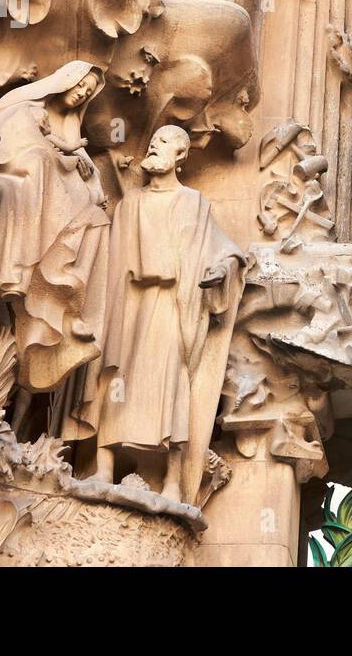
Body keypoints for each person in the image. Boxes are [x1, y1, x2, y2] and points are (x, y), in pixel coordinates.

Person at [92, 126, 245, 504]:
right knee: (114, 377)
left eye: (164, 143)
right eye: (153, 140)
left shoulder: (194, 203)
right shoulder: (130, 204)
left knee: (172, 383)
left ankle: (174, 480)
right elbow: (110, 265)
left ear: (181, 156)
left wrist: (220, 270)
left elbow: (227, 251)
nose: (154, 146)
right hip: (130, 305)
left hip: (173, 306)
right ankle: (103, 468)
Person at [0, 61, 108, 392]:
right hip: (15, 181)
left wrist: (91, 177)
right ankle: (20, 268)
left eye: (88, 93)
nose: (81, 95)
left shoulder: (67, 123)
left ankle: (68, 300)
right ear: (65, 80)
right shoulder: (25, 106)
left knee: (96, 219)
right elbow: (5, 145)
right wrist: (56, 154)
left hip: (50, 194)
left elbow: (73, 157)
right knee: (38, 163)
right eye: (80, 86)